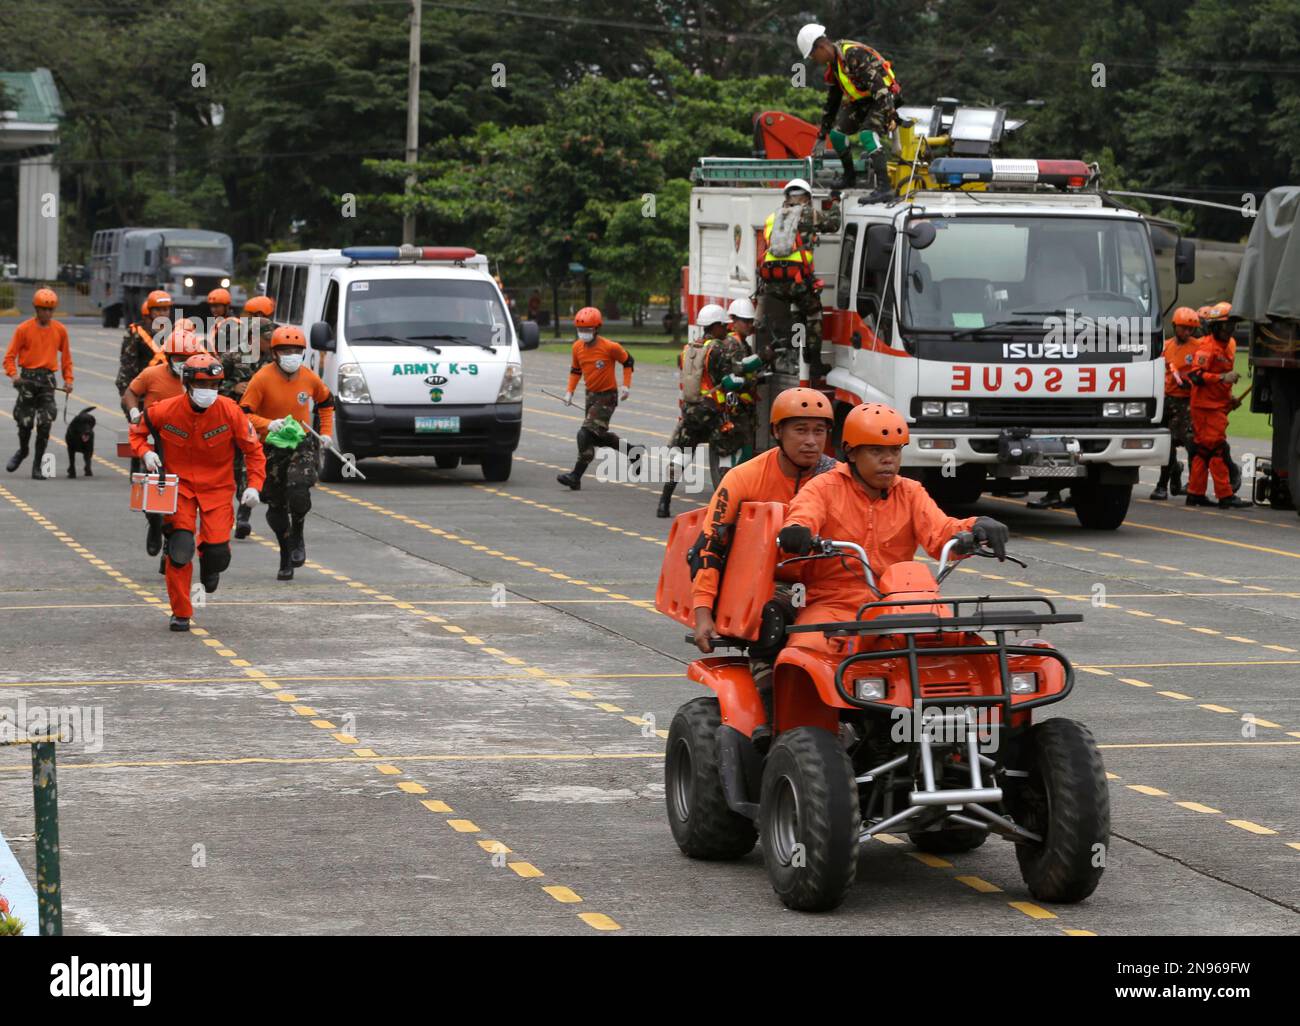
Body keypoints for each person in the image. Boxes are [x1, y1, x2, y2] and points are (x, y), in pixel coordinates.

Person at [777, 403, 1009, 653]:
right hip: (834, 603)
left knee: (957, 649)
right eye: (876, 451)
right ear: (850, 453)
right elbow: (804, 514)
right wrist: (797, 530)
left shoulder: (910, 492)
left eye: (895, 451)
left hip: (902, 602)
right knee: (805, 651)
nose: (888, 459)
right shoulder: (822, 487)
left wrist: (975, 527)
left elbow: (941, 534)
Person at [689, 387, 837, 744]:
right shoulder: (743, 478)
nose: (811, 441)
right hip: (765, 584)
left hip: (826, 583)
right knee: (774, 613)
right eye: (800, 430)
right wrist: (702, 613)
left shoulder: (839, 477)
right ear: (777, 432)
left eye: (819, 431)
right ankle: (774, 720)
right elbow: (707, 548)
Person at [128, 354, 267, 631]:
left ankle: (210, 565)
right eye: (203, 384)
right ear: (188, 384)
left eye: (215, 385)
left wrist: (254, 486)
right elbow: (137, 432)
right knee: (179, 549)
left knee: (217, 554)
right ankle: (180, 612)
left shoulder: (230, 411)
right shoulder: (163, 410)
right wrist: (145, 454)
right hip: (179, 489)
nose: (209, 391)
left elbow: (254, 451)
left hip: (217, 490)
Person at [239, 326, 335, 580]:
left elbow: (326, 401)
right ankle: (285, 552)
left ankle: (298, 535)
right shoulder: (261, 378)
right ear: (274, 354)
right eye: (285, 351)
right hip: (270, 445)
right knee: (277, 505)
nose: (291, 355)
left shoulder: (309, 378)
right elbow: (244, 413)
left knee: (299, 489)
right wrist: (266, 423)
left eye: (296, 351)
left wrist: (325, 431)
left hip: (300, 443)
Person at [123, 324, 205, 556]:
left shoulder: (198, 379)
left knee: (182, 500)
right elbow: (129, 393)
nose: (183, 362)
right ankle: (154, 523)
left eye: (188, 358)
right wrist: (133, 412)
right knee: (155, 497)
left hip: (187, 445)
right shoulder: (151, 374)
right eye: (178, 358)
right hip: (154, 442)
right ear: (168, 357)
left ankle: (172, 544)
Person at [798, 24, 900, 199]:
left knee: (867, 135)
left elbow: (880, 89)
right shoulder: (835, 66)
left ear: (821, 47)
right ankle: (850, 176)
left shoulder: (853, 55)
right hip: (862, 101)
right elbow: (833, 102)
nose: (814, 59)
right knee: (837, 135)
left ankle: (885, 188)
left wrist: (891, 116)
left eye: (813, 55)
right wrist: (822, 135)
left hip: (883, 97)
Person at [754, 178, 841, 380]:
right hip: (797, 279)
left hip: (773, 282)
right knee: (813, 314)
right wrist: (835, 201)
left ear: (786, 197)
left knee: (796, 313)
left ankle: (795, 355)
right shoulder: (808, 213)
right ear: (807, 197)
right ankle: (814, 362)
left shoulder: (772, 217)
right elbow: (833, 223)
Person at [657, 305, 738, 517]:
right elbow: (728, 379)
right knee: (725, 455)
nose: (727, 330)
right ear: (716, 326)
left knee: (683, 456)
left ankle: (664, 502)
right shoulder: (717, 349)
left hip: (691, 411)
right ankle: (726, 506)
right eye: (724, 326)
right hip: (713, 411)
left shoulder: (688, 349)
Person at [556, 306, 644, 490]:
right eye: (580, 330)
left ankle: (576, 476)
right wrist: (569, 391)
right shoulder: (577, 347)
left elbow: (628, 361)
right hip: (591, 396)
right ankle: (633, 452)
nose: (583, 333)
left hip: (607, 397)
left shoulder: (610, 347)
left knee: (585, 433)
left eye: (587, 330)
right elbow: (576, 370)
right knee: (598, 437)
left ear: (597, 328)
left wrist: (626, 385)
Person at [1186, 302, 1250, 509]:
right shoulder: (1206, 347)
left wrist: (1229, 398)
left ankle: (1195, 493)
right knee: (1217, 449)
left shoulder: (1230, 345)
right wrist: (1222, 377)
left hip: (1218, 405)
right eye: (1226, 326)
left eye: (1232, 326)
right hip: (1205, 407)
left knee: (1203, 450)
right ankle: (1225, 495)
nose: (1230, 330)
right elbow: (1195, 376)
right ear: (1215, 327)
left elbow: (1223, 382)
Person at [4, 288, 73, 478]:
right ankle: (23, 450)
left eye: (51, 310)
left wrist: (68, 380)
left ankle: (37, 465)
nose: (47, 314)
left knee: (45, 422)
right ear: (36, 309)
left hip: (48, 380)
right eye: (44, 309)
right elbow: (9, 357)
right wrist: (14, 375)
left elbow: (66, 359)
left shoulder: (59, 330)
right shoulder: (23, 329)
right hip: (27, 379)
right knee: (25, 422)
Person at [1152, 306, 1202, 500]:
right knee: (1166, 444)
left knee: (1191, 443)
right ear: (1174, 326)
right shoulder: (1165, 346)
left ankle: (1192, 484)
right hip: (1166, 400)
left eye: (1191, 329)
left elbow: (1200, 371)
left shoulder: (1198, 347)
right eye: (1183, 328)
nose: (1187, 332)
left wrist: (1189, 379)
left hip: (1187, 401)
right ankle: (1168, 477)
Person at [116, 290, 170, 396]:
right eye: (157, 310)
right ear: (150, 311)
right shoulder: (136, 333)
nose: (162, 313)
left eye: (165, 309)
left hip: (166, 388)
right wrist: (127, 392)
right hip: (143, 389)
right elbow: (128, 363)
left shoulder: (174, 332)